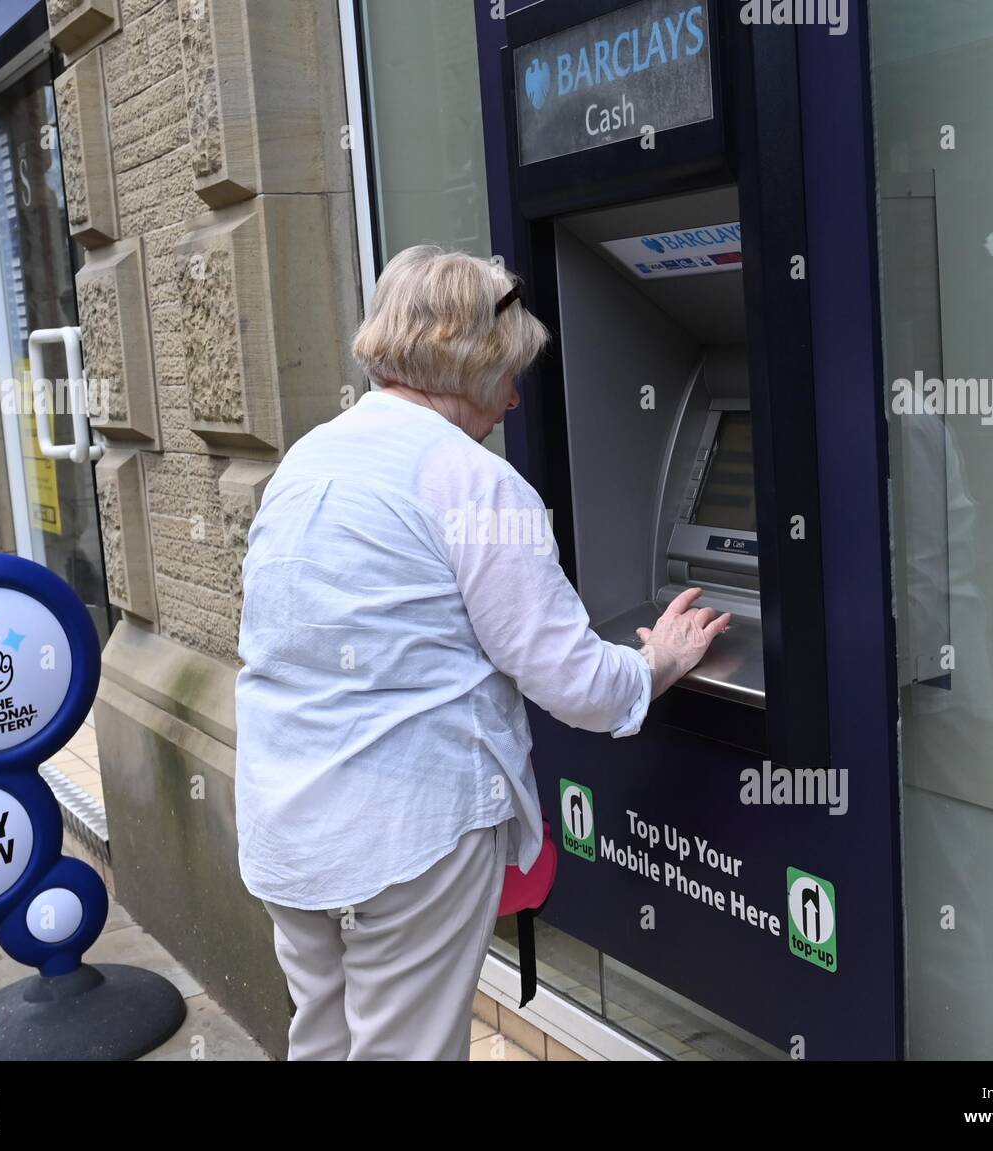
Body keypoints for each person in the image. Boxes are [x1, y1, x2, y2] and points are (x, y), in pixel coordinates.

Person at [234, 244, 729, 1060]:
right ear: (472, 359)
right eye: (510, 368)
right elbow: (573, 678)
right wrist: (657, 662)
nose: (514, 396)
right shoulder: (471, 482)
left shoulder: (309, 458)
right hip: (405, 835)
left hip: (288, 828)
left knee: (323, 1041)